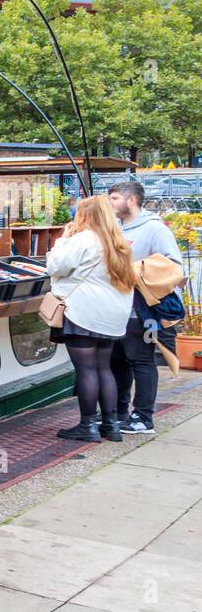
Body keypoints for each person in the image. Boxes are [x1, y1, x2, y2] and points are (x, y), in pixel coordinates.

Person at [45, 195, 136, 442]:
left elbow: (55, 266)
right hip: (112, 317)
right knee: (103, 368)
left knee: (85, 369)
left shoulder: (83, 239)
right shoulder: (120, 243)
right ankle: (111, 424)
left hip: (83, 313)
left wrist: (62, 240)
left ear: (84, 215)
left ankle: (87, 425)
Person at [107, 179, 184, 434]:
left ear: (131, 200)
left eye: (115, 198)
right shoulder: (115, 227)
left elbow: (173, 266)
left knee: (142, 360)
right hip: (119, 307)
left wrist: (136, 268)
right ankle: (118, 413)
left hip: (145, 310)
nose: (111, 203)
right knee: (117, 360)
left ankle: (143, 417)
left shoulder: (155, 229)